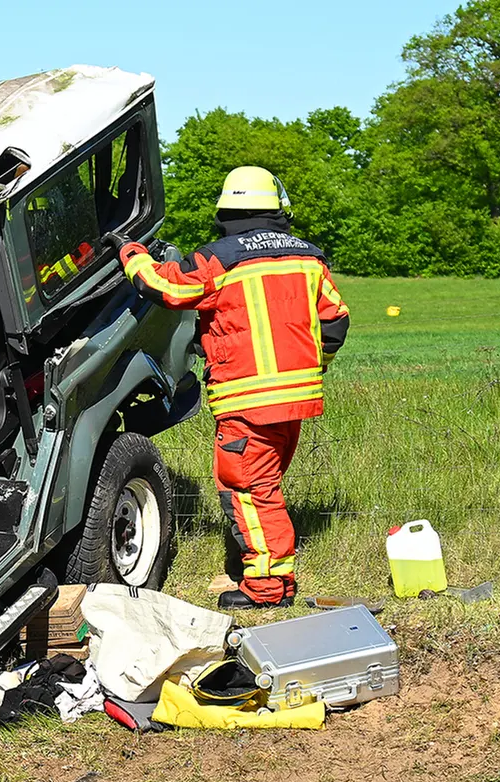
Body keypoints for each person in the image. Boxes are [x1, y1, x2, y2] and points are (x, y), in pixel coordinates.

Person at [112, 166, 351, 610]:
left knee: (248, 489)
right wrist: (311, 368)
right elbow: (336, 319)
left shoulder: (220, 258)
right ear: (276, 206)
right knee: (266, 487)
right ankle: (277, 581)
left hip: (246, 400)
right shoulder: (309, 257)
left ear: (227, 208)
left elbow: (163, 286)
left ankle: (265, 589)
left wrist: (130, 252)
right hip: (297, 398)